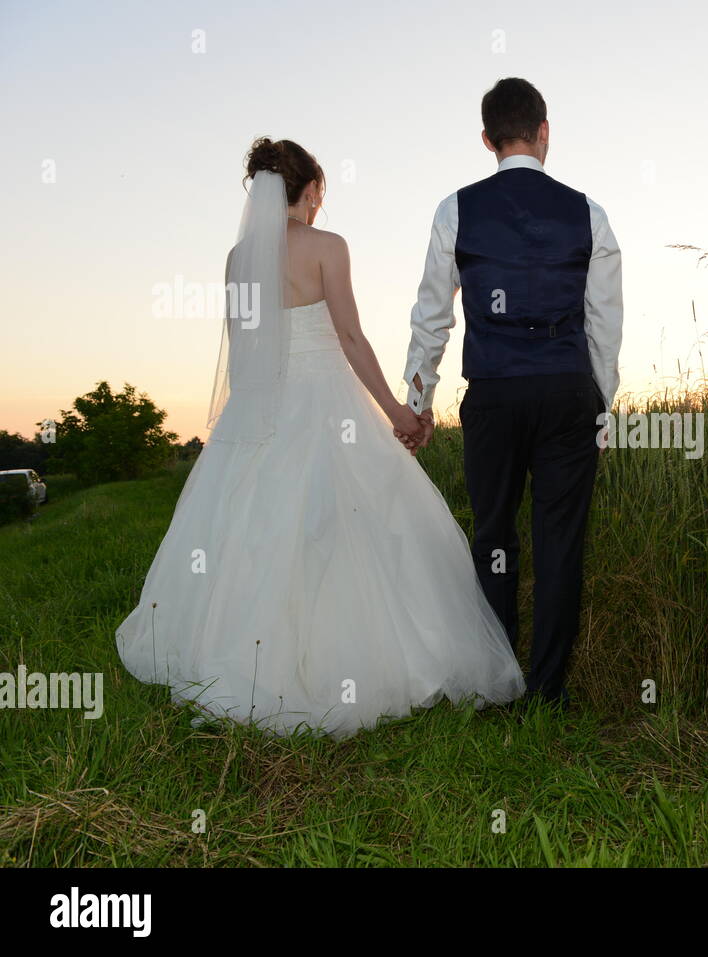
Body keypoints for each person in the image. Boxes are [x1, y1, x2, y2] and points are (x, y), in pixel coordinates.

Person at [115, 137, 524, 737]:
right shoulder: (328, 247)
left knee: (254, 528)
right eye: (317, 194)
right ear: (309, 191)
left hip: (259, 406)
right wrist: (395, 411)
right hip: (328, 401)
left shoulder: (237, 260)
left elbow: (244, 345)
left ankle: (248, 654)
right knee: (351, 523)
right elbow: (352, 338)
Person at [402, 78, 624, 710]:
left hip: (494, 393)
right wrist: (600, 405)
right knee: (560, 541)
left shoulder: (456, 209)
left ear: (487, 139)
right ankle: (547, 689)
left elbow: (431, 317)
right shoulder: (589, 213)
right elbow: (605, 322)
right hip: (565, 391)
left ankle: (498, 686)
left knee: (494, 537)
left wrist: (419, 402)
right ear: (544, 130)